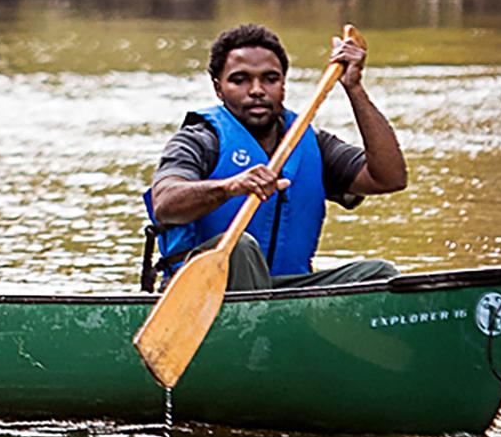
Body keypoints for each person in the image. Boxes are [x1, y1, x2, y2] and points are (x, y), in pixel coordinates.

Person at [142, 24, 408, 292]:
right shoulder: (199, 141)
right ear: (218, 88)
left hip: (286, 291)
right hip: (207, 290)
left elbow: (389, 178)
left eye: (270, 79)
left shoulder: (310, 143)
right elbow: (165, 203)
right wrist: (230, 187)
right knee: (241, 247)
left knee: (380, 273)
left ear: (283, 84)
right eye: (240, 80)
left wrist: (354, 88)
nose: (257, 90)